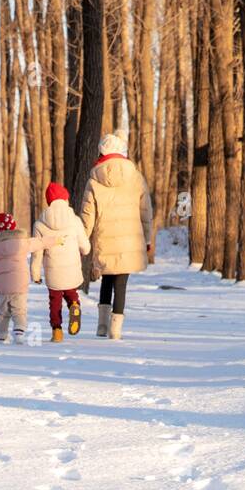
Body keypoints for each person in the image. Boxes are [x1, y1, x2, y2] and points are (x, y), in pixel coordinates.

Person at [79, 131, 153, 340]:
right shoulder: (136, 177)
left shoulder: (93, 180)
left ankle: (102, 325)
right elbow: (145, 211)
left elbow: (87, 214)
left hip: (105, 238)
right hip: (129, 239)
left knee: (106, 280)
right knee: (121, 283)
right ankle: (116, 329)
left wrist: (83, 240)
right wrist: (147, 239)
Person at [0, 212, 63, 344]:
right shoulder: (21, 242)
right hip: (19, 284)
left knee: (3, 312)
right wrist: (56, 240)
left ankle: (2, 335)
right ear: (12, 227)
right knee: (19, 310)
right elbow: (40, 242)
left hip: (1, 286)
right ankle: (19, 332)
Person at [31, 182, 91, 343]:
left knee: (54, 301)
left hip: (53, 271)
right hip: (72, 269)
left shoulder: (39, 224)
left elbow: (37, 253)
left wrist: (35, 274)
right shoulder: (75, 220)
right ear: (65, 199)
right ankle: (74, 305)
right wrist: (84, 251)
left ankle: (57, 331)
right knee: (71, 292)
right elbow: (85, 246)